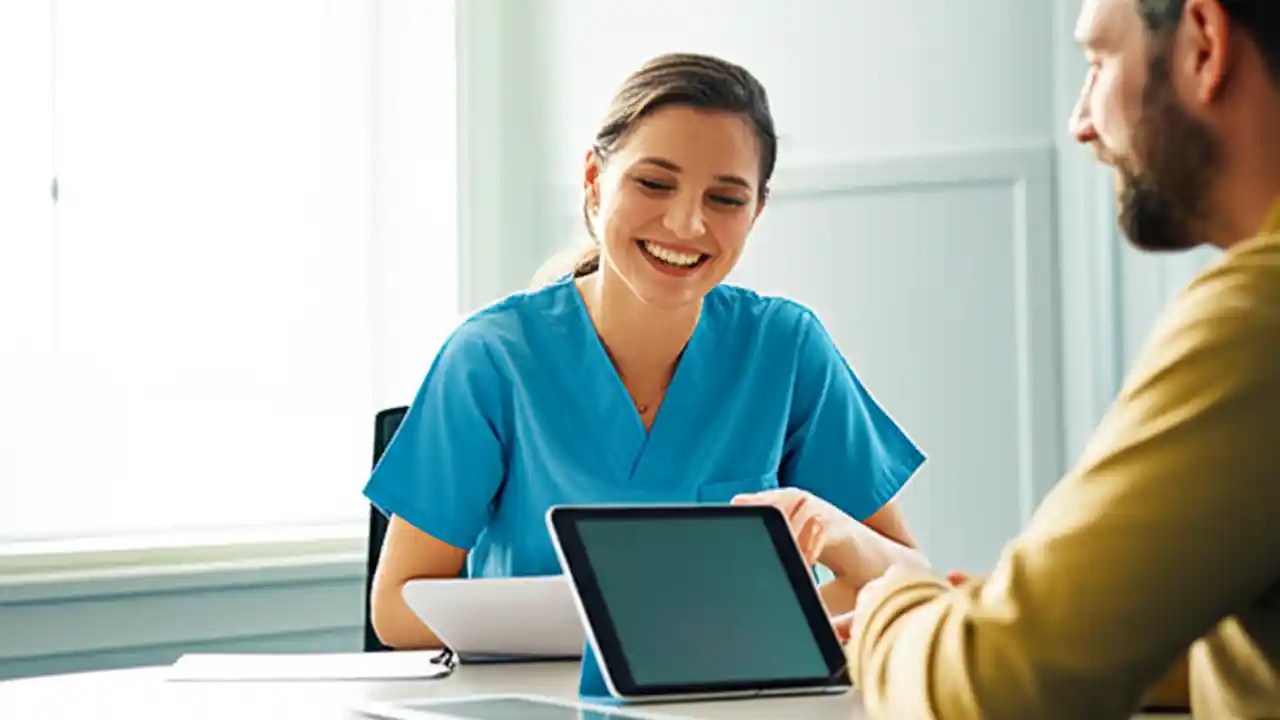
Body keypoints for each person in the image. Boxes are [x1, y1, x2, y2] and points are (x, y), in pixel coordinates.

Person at [740, 0, 1280, 717]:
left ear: (1204, 45)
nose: (1080, 122)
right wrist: (1032, 619)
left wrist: (895, 608)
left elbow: (997, 687)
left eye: (1098, 63)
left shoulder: (1255, 318)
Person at [363, 52, 926, 650]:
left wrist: (825, 543)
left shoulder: (786, 348)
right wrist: (641, 628)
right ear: (594, 181)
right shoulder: (491, 358)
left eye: (726, 199)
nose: (686, 223)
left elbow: (909, 577)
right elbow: (397, 606)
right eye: (654, 184)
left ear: (757, 211)